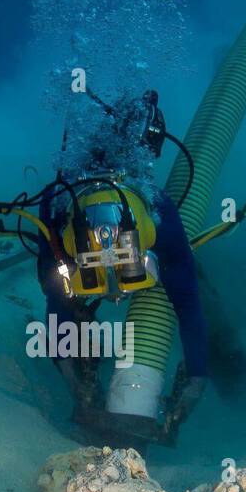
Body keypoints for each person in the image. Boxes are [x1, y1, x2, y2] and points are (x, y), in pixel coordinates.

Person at [34, 90, 209, 426]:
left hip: (151, 241)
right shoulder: (56, 214)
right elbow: (56, 302)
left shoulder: (158, 215)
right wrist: (74, 380)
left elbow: (187, 300)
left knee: (196, 282)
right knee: (70, 306)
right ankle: (88, 370)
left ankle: (243, 382)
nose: (116, 296)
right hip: (69, 248)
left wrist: (198, 375)